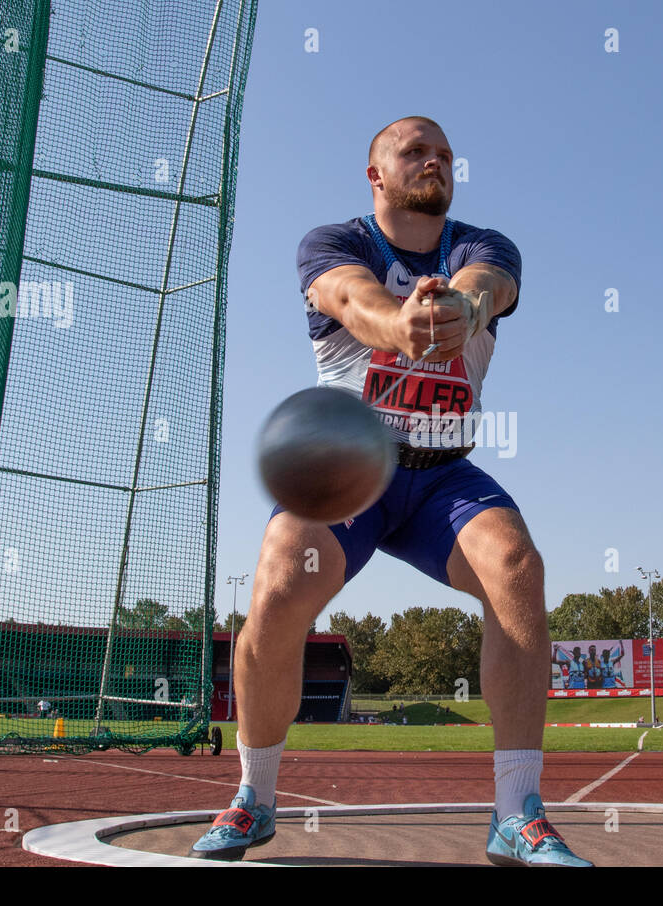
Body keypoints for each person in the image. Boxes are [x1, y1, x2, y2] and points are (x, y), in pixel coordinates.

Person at [192, 117, 589, 866]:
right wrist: (398, 324)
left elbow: (490, 284)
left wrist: (464, 309)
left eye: (443, 154)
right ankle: (255, 797)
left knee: (516, 567)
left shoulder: (482, 245)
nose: (434, 161)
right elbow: (350, 298)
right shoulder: (332, 243)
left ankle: (516, 813)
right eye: (414, 153)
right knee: (277, 583)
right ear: (376, 175)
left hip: (443, 477)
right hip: (351, 473)